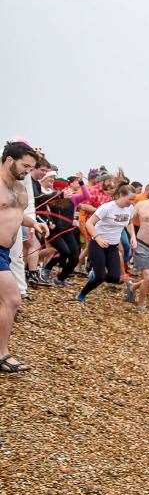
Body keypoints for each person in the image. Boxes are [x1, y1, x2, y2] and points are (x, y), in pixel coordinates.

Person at [0, 142, 45, 373]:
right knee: (12, 299)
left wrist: (34, 223)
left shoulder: (19, 189)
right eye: (25, 166)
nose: (28, 171)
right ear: (9, 160)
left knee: (6, 301)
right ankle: (2, 354)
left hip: (6, 252)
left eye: (31, 167)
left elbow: (16, 215)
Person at [77, 184, 136, 303]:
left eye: (133, 199)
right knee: (100, 277)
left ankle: (96, 274)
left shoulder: (130, 208)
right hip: (98, 244)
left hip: (112, 247)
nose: (131, 202)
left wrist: (133, 236)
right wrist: (97, 237)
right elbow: (89, 223)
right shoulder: (107, 207)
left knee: (115, 278)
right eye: (129, 199)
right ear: (120, 195)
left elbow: (129, 223)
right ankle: (82, 294)